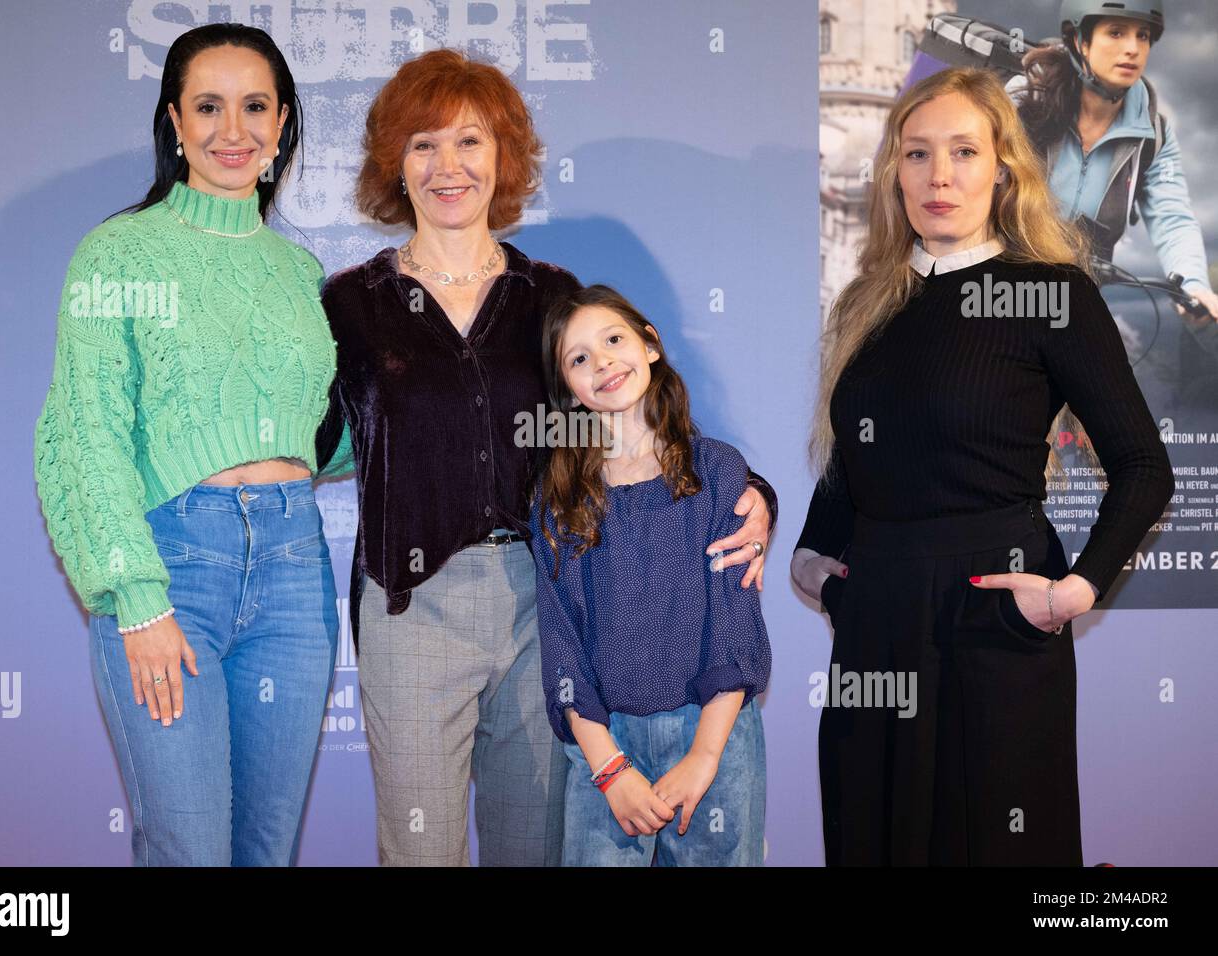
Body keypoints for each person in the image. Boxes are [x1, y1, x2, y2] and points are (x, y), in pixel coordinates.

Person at [315, 48, 777, 866]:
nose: (446, 166)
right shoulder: (350, 304)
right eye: (421, 144)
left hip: (548, 607)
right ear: (396, 163)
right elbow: (303, 442)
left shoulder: (551, 294)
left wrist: (754, 493)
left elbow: (637, 417)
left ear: (504, 159)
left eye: (469, 142)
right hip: (412, 609)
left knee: (535, 850)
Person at [791, 67, 1173, 865]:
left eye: (964, 151)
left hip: (994, 611)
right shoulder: (868, 301)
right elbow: (852, 458)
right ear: (893, 170)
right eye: (917, 153)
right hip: (877, 622)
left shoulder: (1050, 294)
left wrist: (1072, 591)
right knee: (874, 838)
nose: (939, 176)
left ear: (1003, 167)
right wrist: (813, 561)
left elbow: (1142, 467)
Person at [33, 23, 354, 866]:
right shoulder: (117, 253)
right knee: (189, 849)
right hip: (172, 565)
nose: (233, 130)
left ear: (283, 124)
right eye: (208, 106)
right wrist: (137, 594)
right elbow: (83, 430)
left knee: (265, 850)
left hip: (293, 570)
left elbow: (329, 435)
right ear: (173, 122)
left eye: (255, 106)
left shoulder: (298, 274)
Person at [531, 285, 771, 867]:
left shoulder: (715, 469)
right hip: (604, 750)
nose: (603, 361)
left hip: (713, 737)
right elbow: (562, 646)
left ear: (651, 344)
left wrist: (704, 758)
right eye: (579, 358)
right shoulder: (557, 496)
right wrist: (610, 769)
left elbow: (733, 626)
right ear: (568, 390)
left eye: (614, 339)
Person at [1009, 0, 1217, 321]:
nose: (1133, 48)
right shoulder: (1025, 98)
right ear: (1080, 41)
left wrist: (1192, 284)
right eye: (1116, 32)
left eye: (1143, 36)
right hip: (996, 290)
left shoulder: (1152, 134)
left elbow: (1172, 216)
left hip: (1071, 302)